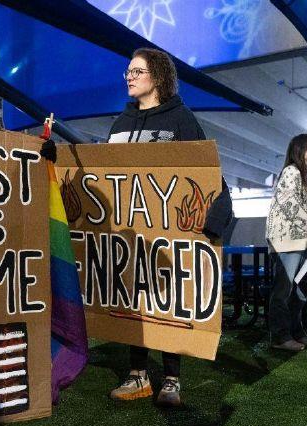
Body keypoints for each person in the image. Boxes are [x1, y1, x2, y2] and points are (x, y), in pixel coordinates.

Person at [106, 47, 207, 407]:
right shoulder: (119, 125)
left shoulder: (182, 120)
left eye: (136, 71)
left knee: (168, 302)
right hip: (129, 235)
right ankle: (138, 376)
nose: (128, 76)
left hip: (168, 238)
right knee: (133, 301)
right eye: (127, 71)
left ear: (158, 76)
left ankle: (172, 379)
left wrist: (212, 219)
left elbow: (204, 175)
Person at [265, 134, 307, 351]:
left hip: (304, 240)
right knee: (284, 289)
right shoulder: (291, 171)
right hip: (287, 239)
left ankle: (297, 332)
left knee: (299, 291)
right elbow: (289, 205)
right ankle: (280, 336)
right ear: (298, 149)